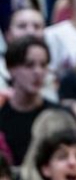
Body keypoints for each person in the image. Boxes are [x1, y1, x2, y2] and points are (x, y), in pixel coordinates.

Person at [0, 36, 69, 165]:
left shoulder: (59, 115)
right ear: (10, 69)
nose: (38, 72)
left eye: (43, 65)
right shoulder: (2, 114)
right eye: (29, 65)